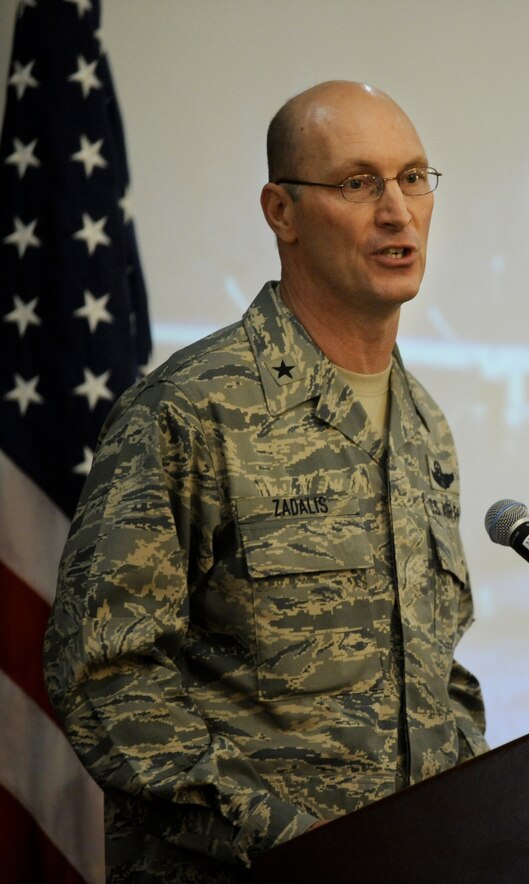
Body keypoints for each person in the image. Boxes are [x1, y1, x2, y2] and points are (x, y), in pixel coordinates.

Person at [43, 81, 487, 883]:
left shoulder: (424, 427)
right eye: (358, 183)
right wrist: (286, 840)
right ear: (280, 211)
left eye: (414, 177)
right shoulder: (189, 410)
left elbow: (439, 672)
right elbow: (104, 672)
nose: (397, 211)